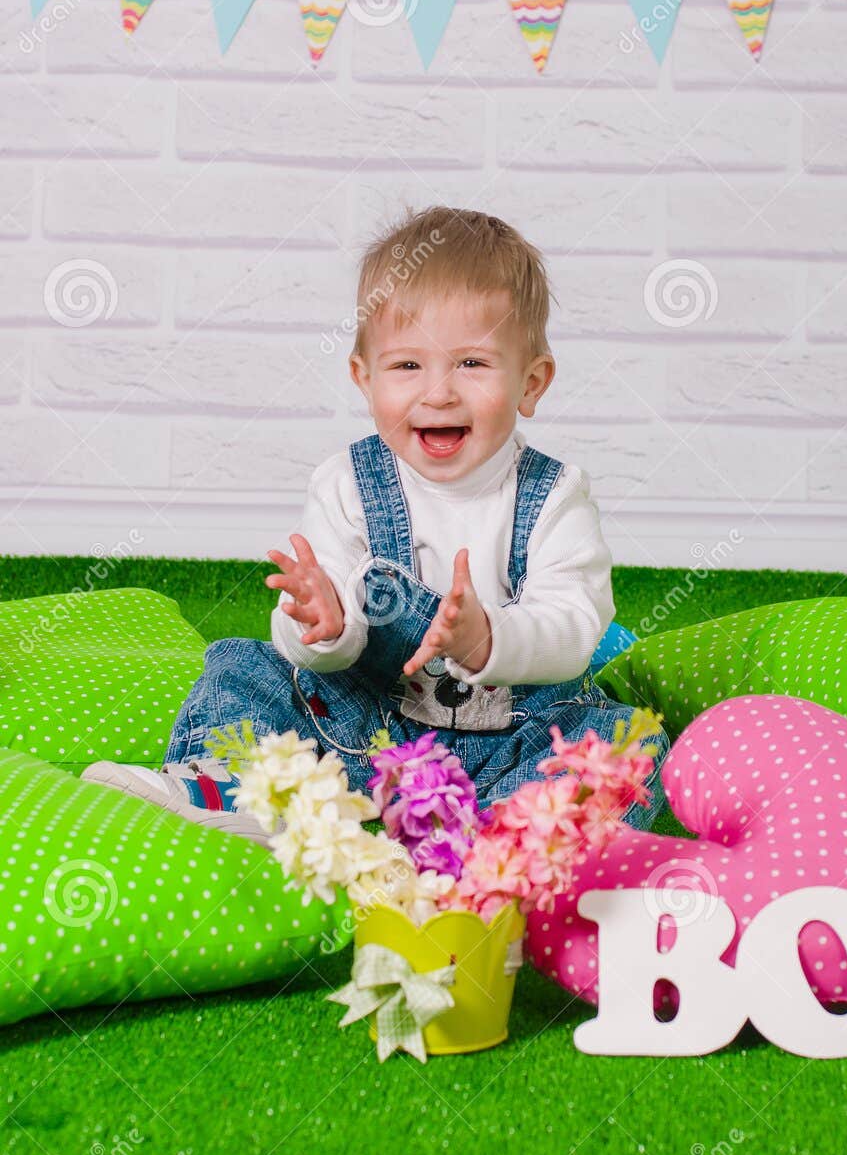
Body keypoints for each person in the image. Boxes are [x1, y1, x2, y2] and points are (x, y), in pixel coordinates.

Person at [83, 206, 669, 844]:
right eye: (407, 366)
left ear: (531, 383)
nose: (438, 393)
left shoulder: (554, 495)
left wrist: (485, 639)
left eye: (473, 364)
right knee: (245, 667)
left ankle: (503, 845)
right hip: (358, 737)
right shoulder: (347, 484)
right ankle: (239, 791)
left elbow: (576, 625)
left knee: (627, 743)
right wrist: (323, 624)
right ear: (364, 380)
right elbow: (316, 634)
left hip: (511, 745)